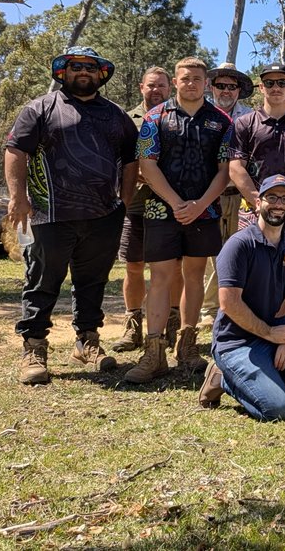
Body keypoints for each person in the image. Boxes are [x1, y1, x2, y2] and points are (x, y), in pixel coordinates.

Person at [5, 47, 138, 384]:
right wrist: (17, 198)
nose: (83, 72)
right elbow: (16, 150)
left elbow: (131, 157)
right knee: (42, 282)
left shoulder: (116, 115)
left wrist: (125, 198)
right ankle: (34, 348)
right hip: (49, 214)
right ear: (63, 72)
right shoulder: (40, 108)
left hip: (103, 215)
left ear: (100, 74)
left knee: (92, 282)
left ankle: (88, 342)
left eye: (90, 67)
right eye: (76, 66)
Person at [126, 57, 233, 382]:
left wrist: (200, 205)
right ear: (175, 82)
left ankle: (187, 347)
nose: (191, 84)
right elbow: (147, 164)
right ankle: (154, 352)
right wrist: (175, 202)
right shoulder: (155, 117)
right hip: (161, 209)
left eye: (197, 79)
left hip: (205, 211)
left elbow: (225, 170)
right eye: (185, 78)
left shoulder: (221, 121)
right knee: (159, 277)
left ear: (206, 83)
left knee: (194, 275)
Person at [197, 176, 285, 419]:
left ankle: (275, 375)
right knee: (278, 409)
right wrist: (270, 333)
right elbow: (229, 302)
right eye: (271, 197)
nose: (278, 204)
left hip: (272, 334)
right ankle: (222, 378)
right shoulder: (239, 245)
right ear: (258, 203)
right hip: (236, 343)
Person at [113, 66, 173, 355]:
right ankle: (132, 325)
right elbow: (115, 157)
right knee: (134, 265)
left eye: (161, 85)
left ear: (170, 88)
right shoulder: (126, 120)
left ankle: (171, 325)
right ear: (141, 87)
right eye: (151, 85)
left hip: (169, 203)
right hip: (135, 202)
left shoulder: (177, 118)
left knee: (172, 269)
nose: (156, 90)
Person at [228, 61, 285, 238]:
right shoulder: (244, 123)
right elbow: (235, 168)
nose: (276, 87)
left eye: (282, 82)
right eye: (269, 83)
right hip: (252, 209)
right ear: (261, 87)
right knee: (251, 255)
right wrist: (258, 200)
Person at [199, 62, 256, 330]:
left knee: (240, 250)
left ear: (239, 90)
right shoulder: (201, 114)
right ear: (212, 87)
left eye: (231, 87)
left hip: (241, 193)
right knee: (212, 252)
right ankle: (210, 309)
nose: (226, 91)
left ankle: (238, 304)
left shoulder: (251, 117)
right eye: (220, 85)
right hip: (210, 193)